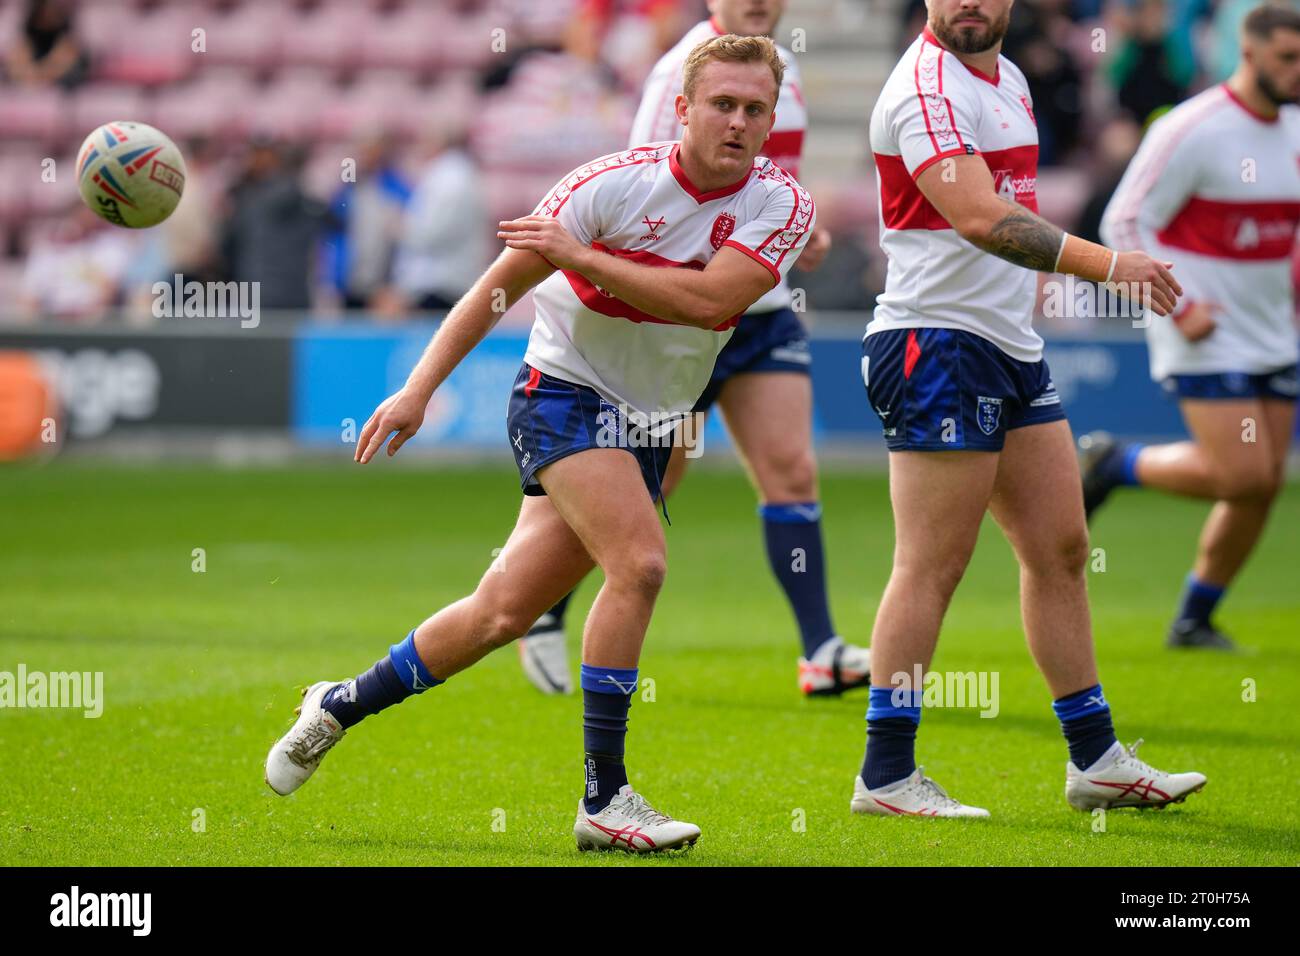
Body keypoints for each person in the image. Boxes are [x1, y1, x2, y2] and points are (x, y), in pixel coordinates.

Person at [264, 34, 815, 852]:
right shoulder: (605, 187)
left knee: (502, 613)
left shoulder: (783, 203)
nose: (738, 122)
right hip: (561, 393)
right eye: (722, 105)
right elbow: (495, 293)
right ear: (682, 108)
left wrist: (584, 260)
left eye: (754, 109)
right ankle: (605, 798)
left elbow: (710, 304)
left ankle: (339, 704)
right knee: (642, 563)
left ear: (772, 117)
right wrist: (417, 390)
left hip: (656, 420)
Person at [852, 0, 1204, 817]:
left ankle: (1095, 760)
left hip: (1007, 344)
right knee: (932, 564)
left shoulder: (1006, 75)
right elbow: (979, 216)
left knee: (1062, 547)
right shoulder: (926, 88)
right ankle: (885, 773)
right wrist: (1107, 263)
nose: (968, 2)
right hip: (935, 345)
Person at [516, 0, 873, 702]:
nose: (759, 3)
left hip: (759, 308)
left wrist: (798, 234)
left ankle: (820, 647)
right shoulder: (677, 71)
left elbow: (773, 180)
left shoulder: (783, 69)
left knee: (791, 469)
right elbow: (652, 198)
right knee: (654, 487)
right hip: (678, 316)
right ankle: (541, 611)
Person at [1086, 4, 1300, 651]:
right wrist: (1180, 306)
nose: (1296, 72)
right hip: (1201, 328)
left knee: (1263, 483)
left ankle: (1194, 618)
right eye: (1286, 58)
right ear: (1250, 51)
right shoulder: (1193, 128)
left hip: (1272, 328)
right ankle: (1113, 464)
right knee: (1240, 475)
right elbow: (1120, 224)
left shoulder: (1294, 129)